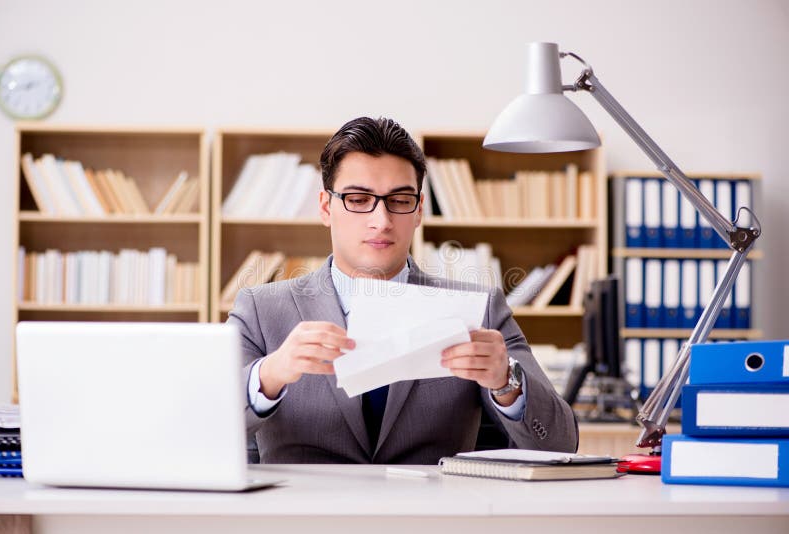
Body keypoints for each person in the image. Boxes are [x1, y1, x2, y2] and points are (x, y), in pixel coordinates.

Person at [228, 116, 578, 463]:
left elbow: (560, 445)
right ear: (325, 207)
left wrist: (507, 382)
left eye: (399, 200)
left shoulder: (479, 309)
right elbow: (200, 427)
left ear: (419, 210)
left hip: (430, 514)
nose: (381, 220)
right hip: (306, 514)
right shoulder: (261, 310)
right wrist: (269, 375)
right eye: (358, 199)